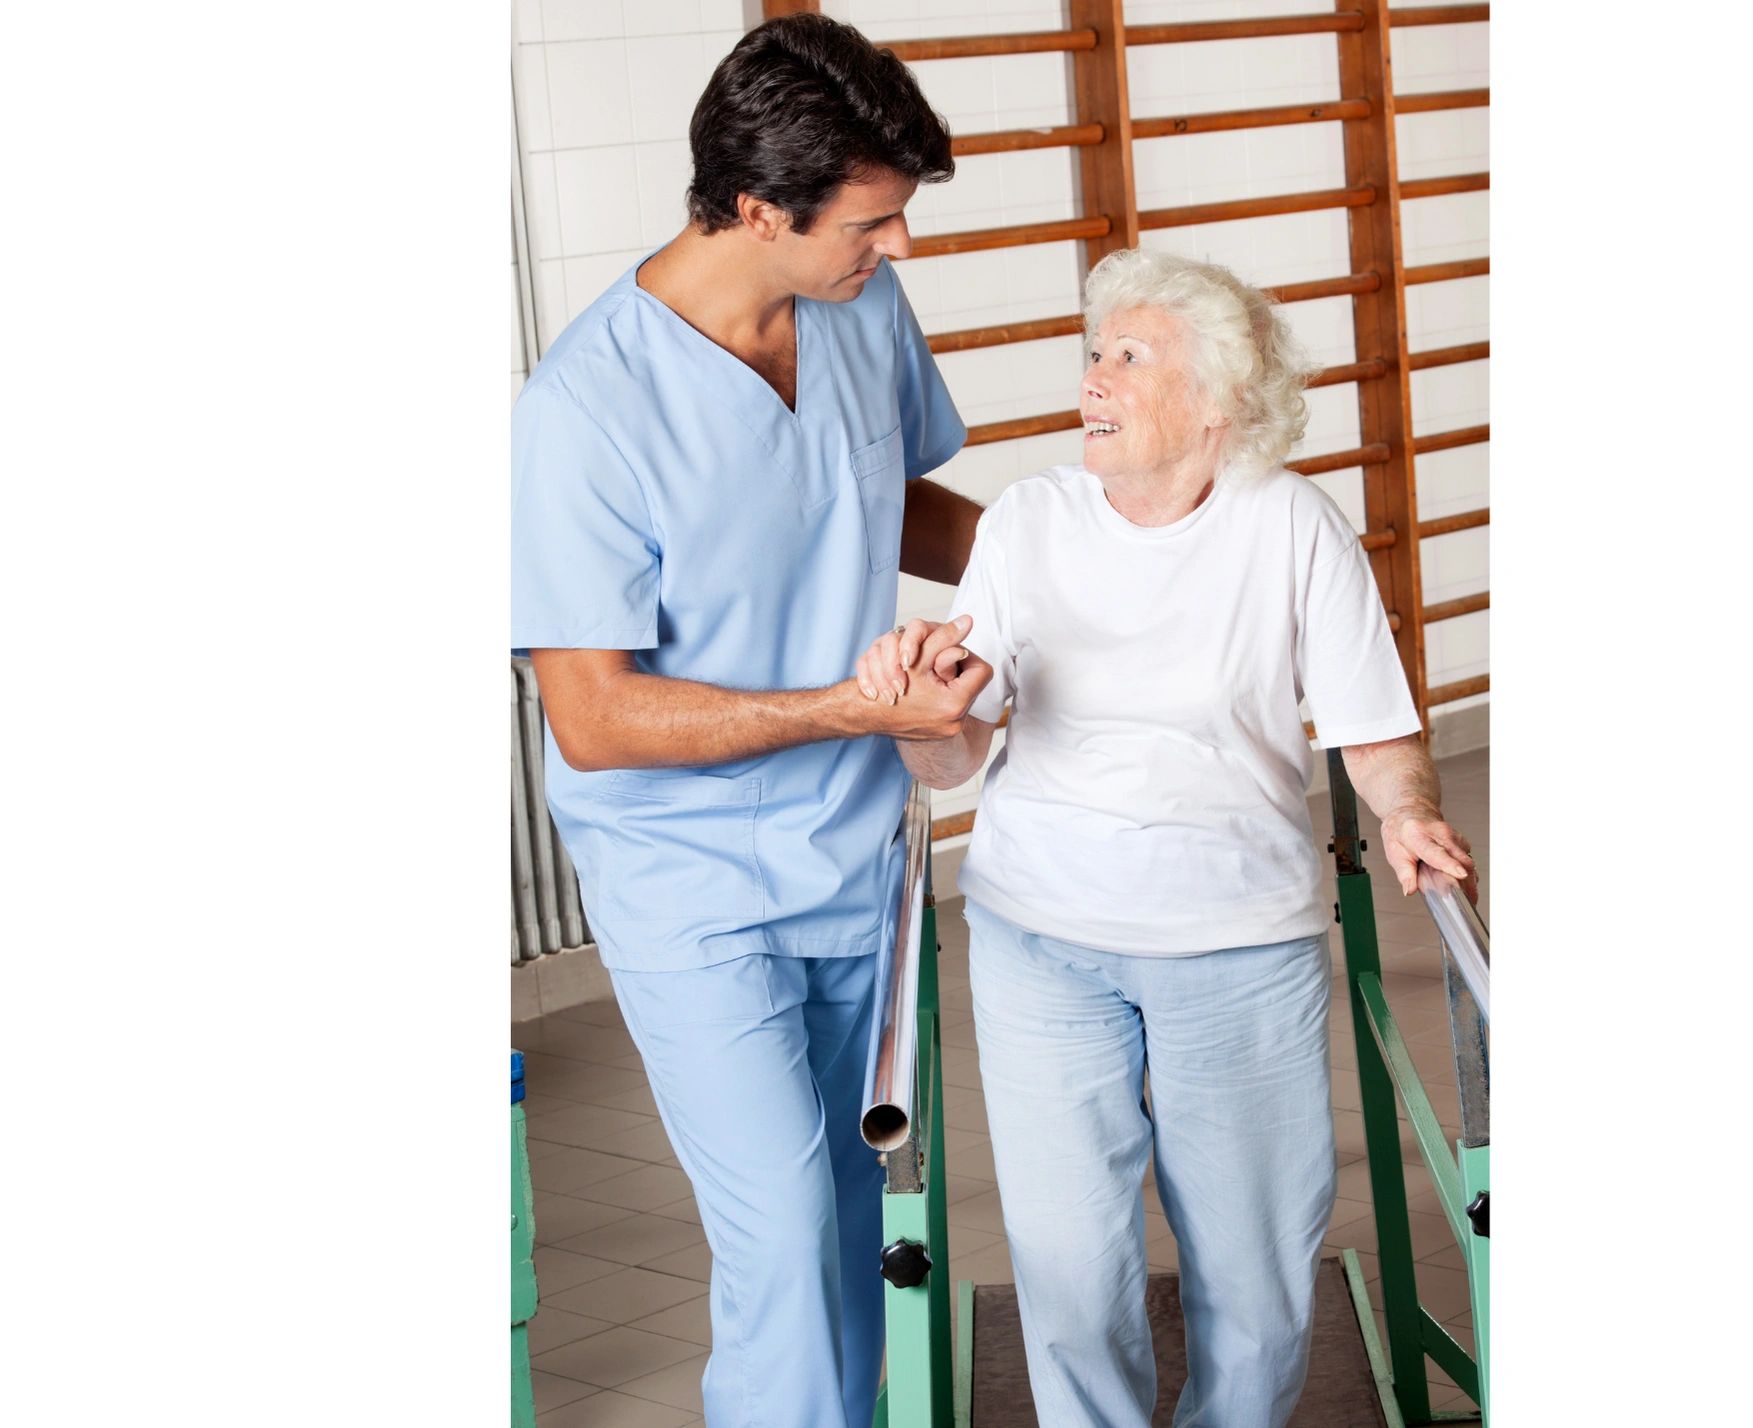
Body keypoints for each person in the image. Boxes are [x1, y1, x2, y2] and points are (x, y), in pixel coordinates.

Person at [858, 248, 1478, 1428]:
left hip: (1236, 942)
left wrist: (1405, 810)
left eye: (1127, 358)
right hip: (1041, 934)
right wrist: (915, 717)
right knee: (1067, 1268)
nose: (1092, 378)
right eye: (1093, 353)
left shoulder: (1291, 527)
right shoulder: (1030, 522)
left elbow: (1373, 729)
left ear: (1218, 401)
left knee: (1251, 1270)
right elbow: (953, 754)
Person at [510, 15, 990, 1428]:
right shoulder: (582, 412)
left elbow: (884, 493)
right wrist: (848, 706)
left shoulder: (855, 308)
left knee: (863, 1219)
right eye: (875, 222)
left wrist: (1085, 552)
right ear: (761, 209)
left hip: (857, 856)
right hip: (693, 885)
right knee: (781, 1237)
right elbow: (592, 717)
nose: (897, 248)